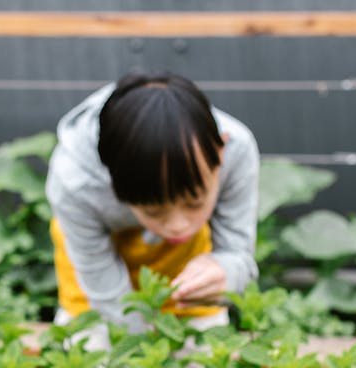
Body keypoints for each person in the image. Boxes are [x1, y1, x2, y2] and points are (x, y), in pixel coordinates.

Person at [47, 71, 260, 333]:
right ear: (112, 182)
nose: (178, 226)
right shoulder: (75, 183)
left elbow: (238, 254)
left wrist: (226, 272)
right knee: (97, 353)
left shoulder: (237, 149)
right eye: (154, 211)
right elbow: (105, 293)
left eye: (194, 202)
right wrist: (141, 350)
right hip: (95, 272)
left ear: (220, 153)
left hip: (184, 264)